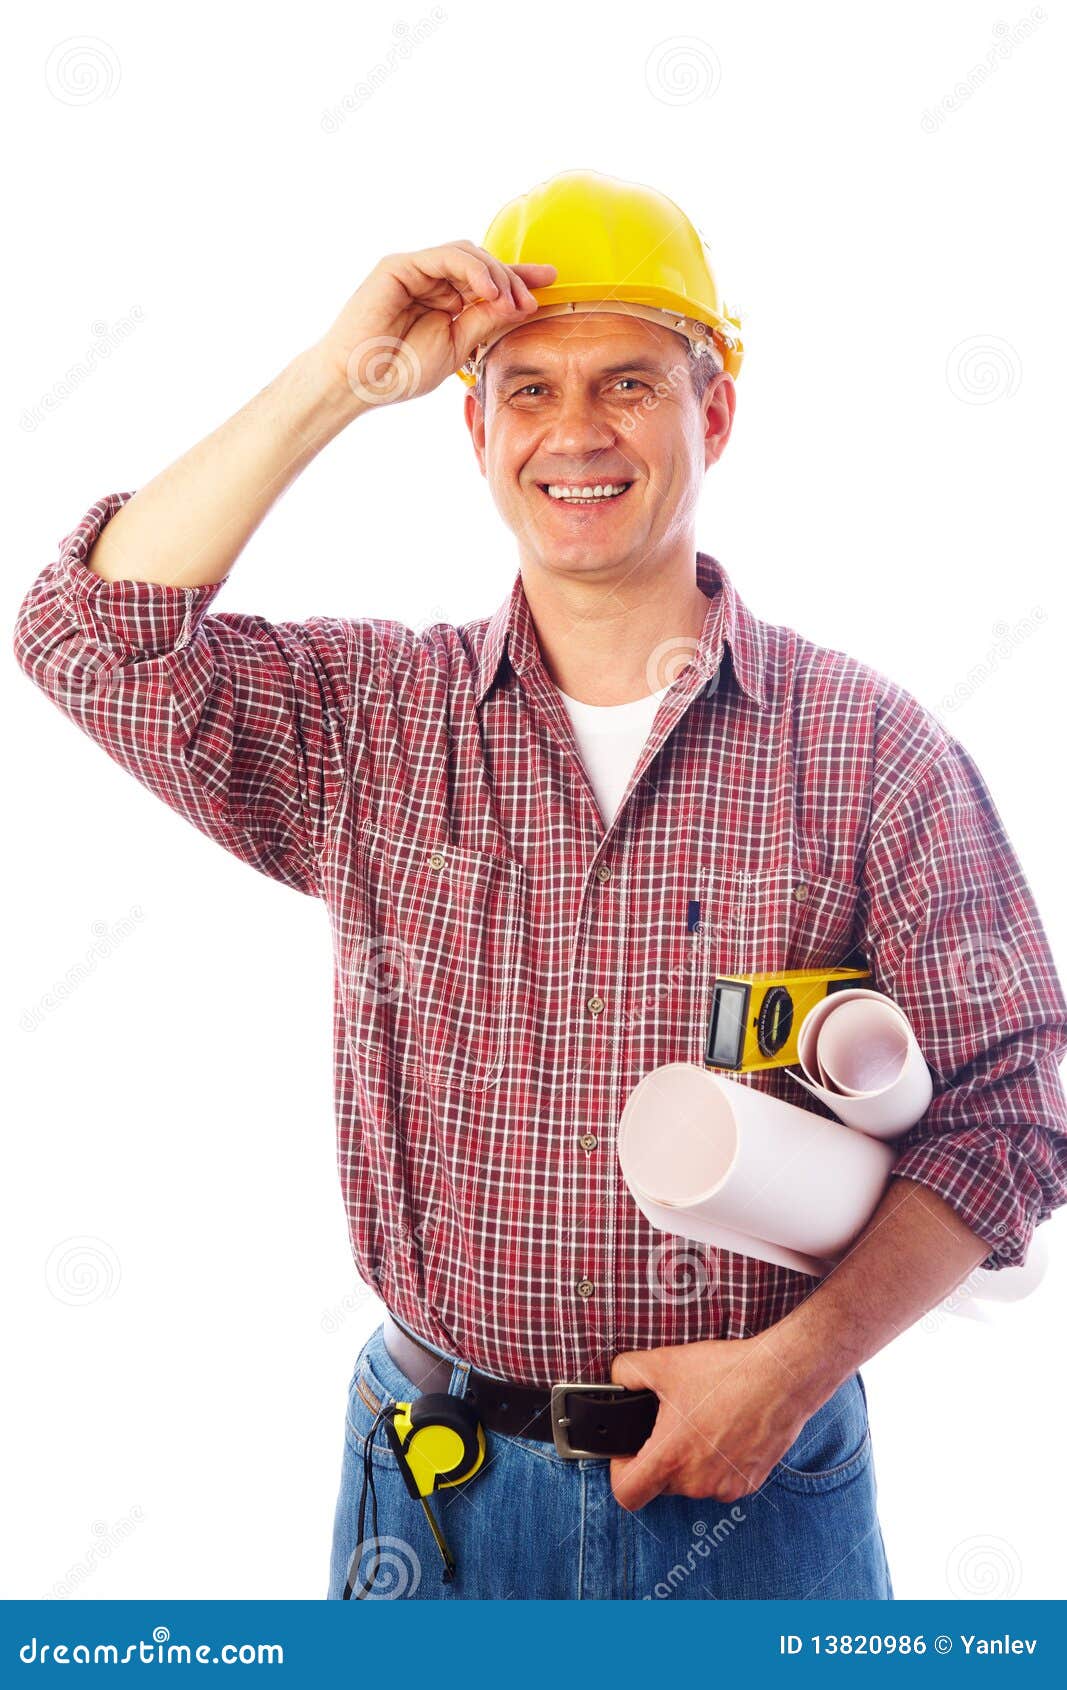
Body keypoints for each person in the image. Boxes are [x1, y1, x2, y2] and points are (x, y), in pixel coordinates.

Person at [13, 170, 1067, 1602]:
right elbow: (89, 635)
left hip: (755, 1495)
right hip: (436, 1492)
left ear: (716, 416)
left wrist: (789, 1371)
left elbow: (1016, 1099)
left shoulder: (865, 751)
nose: (576, 432)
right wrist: (339, 378)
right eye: (529, 390)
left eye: (628, 382)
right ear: (475, 428)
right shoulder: (376, 719)